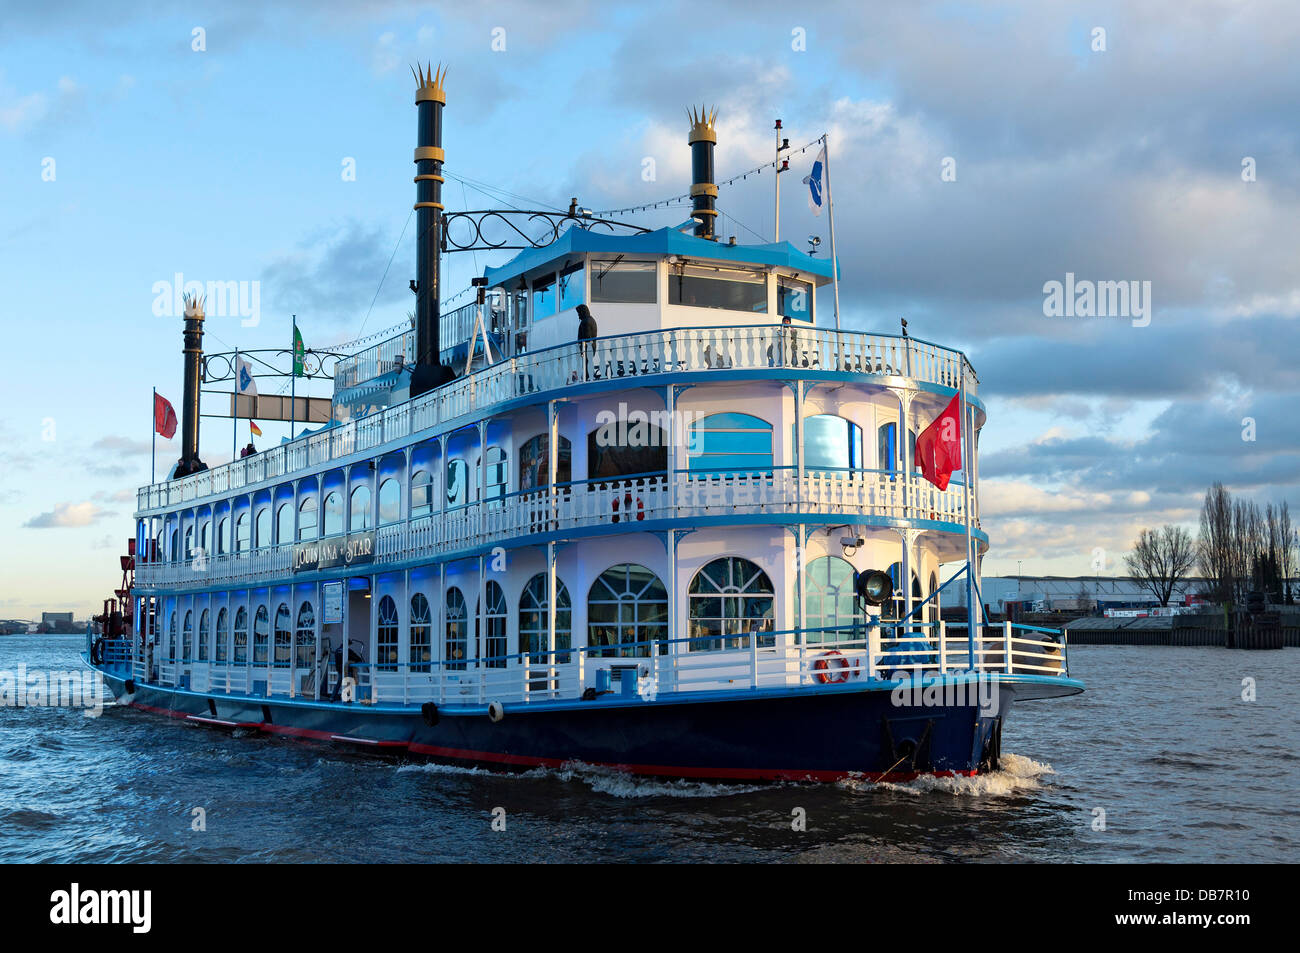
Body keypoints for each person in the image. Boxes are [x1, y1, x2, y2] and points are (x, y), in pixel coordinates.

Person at [576, 304, 598, 380]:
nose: (578, 315)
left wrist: (582, 350)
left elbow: (587, 338)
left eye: (579, 313)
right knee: (588, 365)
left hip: (588, 349)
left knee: (587, 366)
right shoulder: (591, 319)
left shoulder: (585, 322)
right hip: (591, 348)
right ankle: (589, 377)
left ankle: (588, 378)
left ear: (583, 312)